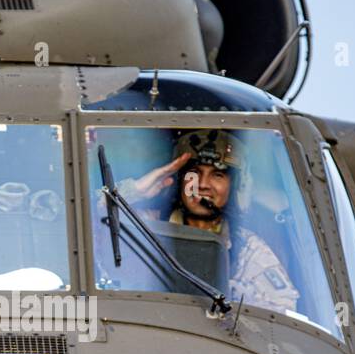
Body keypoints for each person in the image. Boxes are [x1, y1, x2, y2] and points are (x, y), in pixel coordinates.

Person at [111, 129, 300, 312]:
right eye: (194, 173)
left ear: (234, 186)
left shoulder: (246, 249)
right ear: (180, 181)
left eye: (217, 175)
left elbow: (280, 309)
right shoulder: (143, 225)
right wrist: (134, 190)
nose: (202, 185)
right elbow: (90, 219)